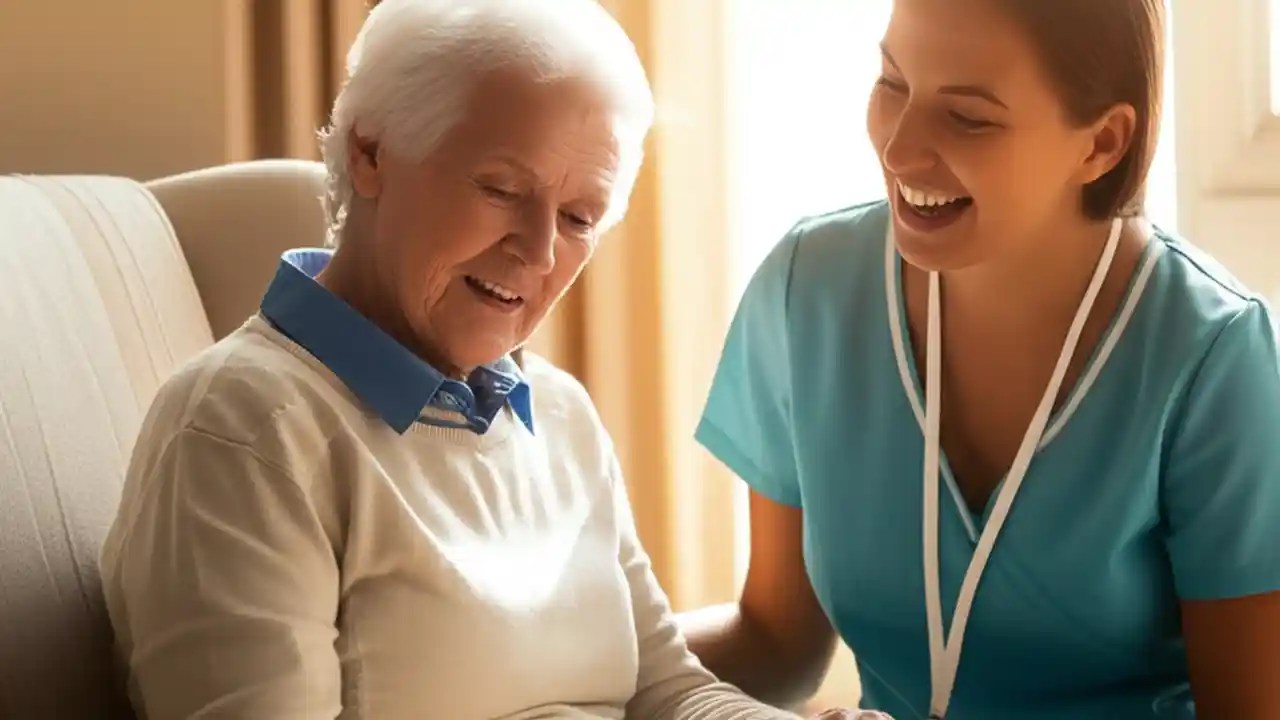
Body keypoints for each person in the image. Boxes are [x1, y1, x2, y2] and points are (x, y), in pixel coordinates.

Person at [98, 2, 865, 718]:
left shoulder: (557, 412)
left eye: (578, 218)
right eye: (501, 189)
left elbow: (667, 692)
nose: (538, 252)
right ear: (370, 153)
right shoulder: (244, 432)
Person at [684, 0, 1280, 718]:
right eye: (892, 83)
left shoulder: (1213, 357)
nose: (900, 150)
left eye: (967, 117)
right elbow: (778, 643)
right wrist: (558, 656)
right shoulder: (806, 289)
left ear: (1102, 143)